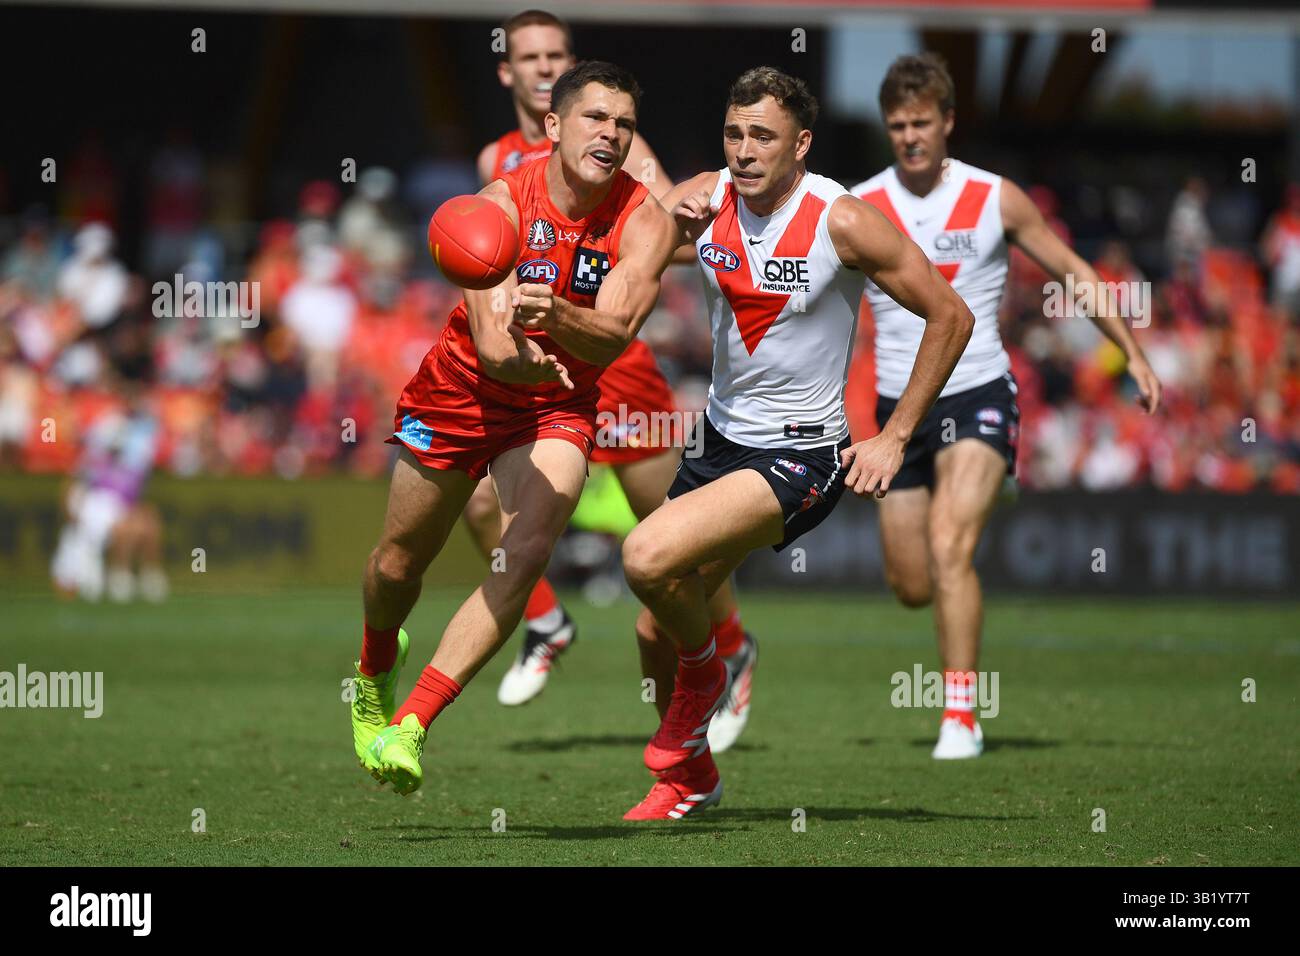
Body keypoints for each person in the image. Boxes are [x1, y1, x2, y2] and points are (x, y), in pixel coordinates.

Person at [620, 66, 976, 819]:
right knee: (655, 622)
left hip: (802, 456)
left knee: (645, 558)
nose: (743, 152)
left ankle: (711, 676)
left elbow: (951, 316)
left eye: (763, 136)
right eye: (733, 133)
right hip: (718, 441)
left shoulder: (841, 220)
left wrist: (892, 436)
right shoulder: (707, 195)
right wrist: (654, 224)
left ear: (802, 144)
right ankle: (694, 776)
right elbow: (633, 252)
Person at [351, 61, 679, 796]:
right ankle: (374, 667)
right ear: (555, 127)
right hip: (462, 390)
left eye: (624, 124)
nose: (612, 135)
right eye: (596, 119)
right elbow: (498, 348)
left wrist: (557, 321)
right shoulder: (498, 202)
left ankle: (412, 724)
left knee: (522, 553)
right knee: (398, 565)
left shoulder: (646, 221)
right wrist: (540, 352)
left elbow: (615, 332)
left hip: (558, 405)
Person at [850, 54, 1162, 758]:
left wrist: (1132, 351)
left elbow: (1073, 271)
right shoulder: (860, 205)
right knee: (910, 584)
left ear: (948, 121)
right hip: (897, 411)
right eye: (897, 125)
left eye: (921, 122)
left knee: (950, 545)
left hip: (979, 390)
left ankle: (959, 716)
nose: (909, 136)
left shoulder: (995, 198)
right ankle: (950, 643)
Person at [469, 9, 757, 755]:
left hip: (615, 367)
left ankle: (731, 643)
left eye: (555, 54)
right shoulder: (494, 161)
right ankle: (544, 620)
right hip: (529, 369)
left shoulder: (616, 142)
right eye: (528, 56)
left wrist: (677, 230)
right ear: (506, 71)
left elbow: (670, 236)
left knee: (667, 537)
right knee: (474, 500)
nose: (541, 66)